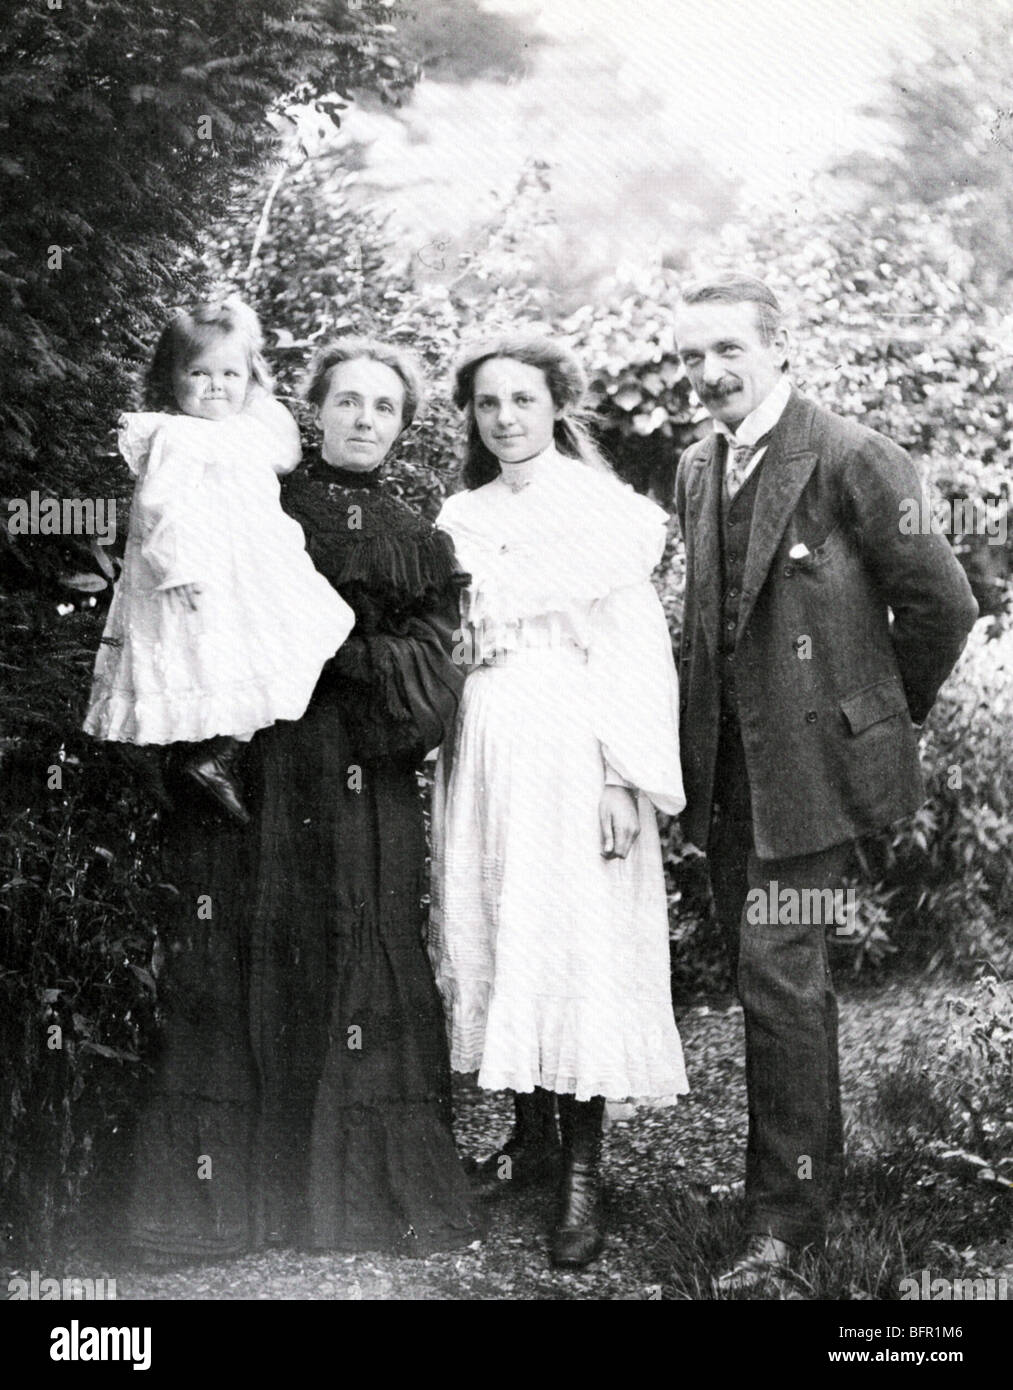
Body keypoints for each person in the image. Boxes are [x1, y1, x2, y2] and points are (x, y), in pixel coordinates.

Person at [126, 336, 483, 1263]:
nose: (362, 420)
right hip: (257, 763)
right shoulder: (251, 496)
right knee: (239, 946)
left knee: (358, 947)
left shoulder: (419, 539)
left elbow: (432, 680)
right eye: (346, 402)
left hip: (361, 769)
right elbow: (186, 611)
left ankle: (355, 1202)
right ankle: (221, 1211)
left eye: (383, 408)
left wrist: (330, 649)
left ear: (402, 428)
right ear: (310, 412)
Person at [672, 273, 979, 1292]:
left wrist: (870, 722)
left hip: (810, 784)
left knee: (779, 974)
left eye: (726, 350)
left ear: (775, 345)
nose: (707, 373)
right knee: (773, 980)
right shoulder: (693, 468)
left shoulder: (853, 455)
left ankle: (786, 1222)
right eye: (690, 357)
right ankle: (794, 1179)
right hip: (728, 783)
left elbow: (941, 603)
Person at [430, 335, 689, 1270]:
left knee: (571, 934)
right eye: (487, 403)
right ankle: (528, 1137)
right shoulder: (458, 515)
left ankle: (583, 1169)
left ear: (555, 407)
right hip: (487, 737)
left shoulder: (602, 513)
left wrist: (623, 776)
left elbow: (631, 649)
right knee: (503, 924)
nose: (504, 417)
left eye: (522, 401)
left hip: (572, 741)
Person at [83, 297, 354, 824]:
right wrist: (177, 567)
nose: (215, 386)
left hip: (255, 566)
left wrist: (255, 394)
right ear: (171, 380)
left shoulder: (238, 430)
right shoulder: (179, 436)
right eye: (198, 373)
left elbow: (286, 453)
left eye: (230, 373)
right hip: (204, 573)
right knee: (209, 665)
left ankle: (215, 755)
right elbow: (158, 508)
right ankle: (191, 755)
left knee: (320, 627)